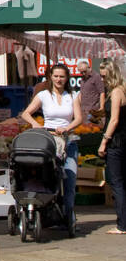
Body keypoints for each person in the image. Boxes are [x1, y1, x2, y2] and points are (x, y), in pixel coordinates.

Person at [20, 63, 83, 226]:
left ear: (67, 78)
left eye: (62, 76)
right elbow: (26, 113)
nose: (59, 79)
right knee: (49, 176)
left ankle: (68, 215)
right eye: (56, 76)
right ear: (50, 77)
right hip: (49, 141)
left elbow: (79, 118)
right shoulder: (43, 95)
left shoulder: (73, 95)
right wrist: (35, 124)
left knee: (69, 179)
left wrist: (67, 128)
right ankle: (46, 210)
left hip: (68, 140)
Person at [97, 58, 126, 235]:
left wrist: (104, 140)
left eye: (104, 76)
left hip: (116, 142)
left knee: (117, 183)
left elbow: (114, 119)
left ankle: (122, 225)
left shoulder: (116, 92)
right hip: (124, 140)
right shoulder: (123, 90)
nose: (102, 80)